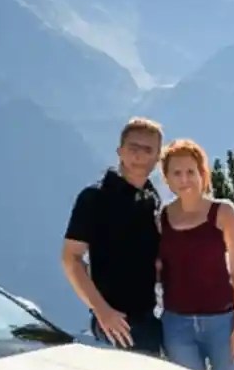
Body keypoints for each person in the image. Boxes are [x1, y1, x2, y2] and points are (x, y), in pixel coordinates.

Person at [156, 138, 234, 370]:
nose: (184, 179)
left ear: (203, 173)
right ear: (166, 179)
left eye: (191, 171)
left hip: (223, 322)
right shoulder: (161, 220)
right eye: (176, 173)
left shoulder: (223, 213)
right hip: (177, 326)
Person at [61, 117, 164, 354]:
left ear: (157, 158)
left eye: (147, 150)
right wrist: (101, 311)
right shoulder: (95, 197)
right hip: (115, 323)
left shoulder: (150, 197)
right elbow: (71, 258)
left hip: (149, 317)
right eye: (133, 147)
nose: (139, 155)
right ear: (120, 151)